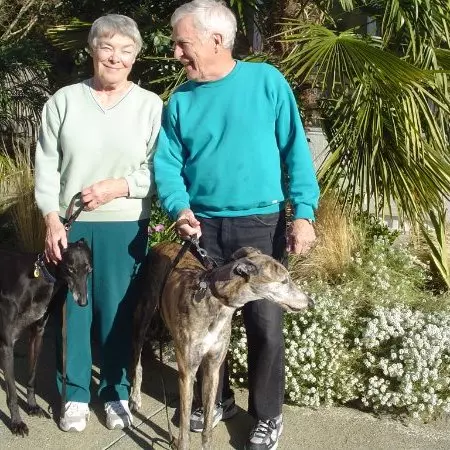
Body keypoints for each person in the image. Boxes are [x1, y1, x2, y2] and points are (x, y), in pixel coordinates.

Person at [153, 1, 320, 449]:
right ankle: (217, 400)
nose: (175, 53)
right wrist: (178, 207)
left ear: (216, 40)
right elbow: (167, 165)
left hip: (258, 222)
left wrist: (303, 213)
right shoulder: (181, 100)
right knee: (207, 318)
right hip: (201, 227)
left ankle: (267, 415)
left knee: (264, 321)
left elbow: (295, 152)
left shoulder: (267, 82)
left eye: (182, 43)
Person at [34, 14, 163, 433]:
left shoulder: (150, 106)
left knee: (117, 311)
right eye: (107, 47)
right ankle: (73, 393)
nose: (116, 57)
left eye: (126, 51)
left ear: (135, 57)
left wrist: (119, 186)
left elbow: (158, 170)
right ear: (92, 50)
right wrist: (52, 219)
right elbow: (47, 166)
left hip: (124, 223)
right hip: (72, 224)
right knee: (74, 310)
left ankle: (115, 392)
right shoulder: (63, 101)